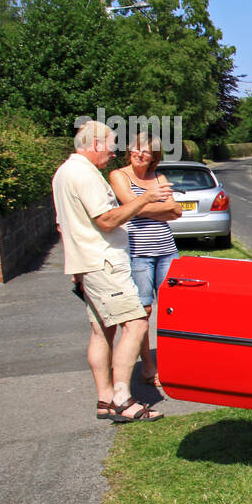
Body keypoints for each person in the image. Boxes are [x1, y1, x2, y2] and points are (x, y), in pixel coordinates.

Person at [52, 120, 179, 422]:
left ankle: (105, 399)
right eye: (110, 146)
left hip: (87, 263)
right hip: (103, 263)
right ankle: (124, 399)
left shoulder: (63, 172)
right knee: (135, 324)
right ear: (95, 143)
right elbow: (107, 220)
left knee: (101, 331)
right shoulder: (85, 175)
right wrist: (145, 199)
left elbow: (63, 225)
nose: (113, 152)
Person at [109, 134, 180, 388]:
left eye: (146, 152)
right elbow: (130, 204)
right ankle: (148, 368)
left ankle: (172, 363)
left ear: (154, 156)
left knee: (173, 308)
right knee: (143, 311)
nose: (140, 154)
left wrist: (143, 207)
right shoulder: (120, 176)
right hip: (139, 252)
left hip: (167, 250)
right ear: (130, 150)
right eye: (137, 149)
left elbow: (177, 211)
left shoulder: (158, 177)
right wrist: (157, 207)